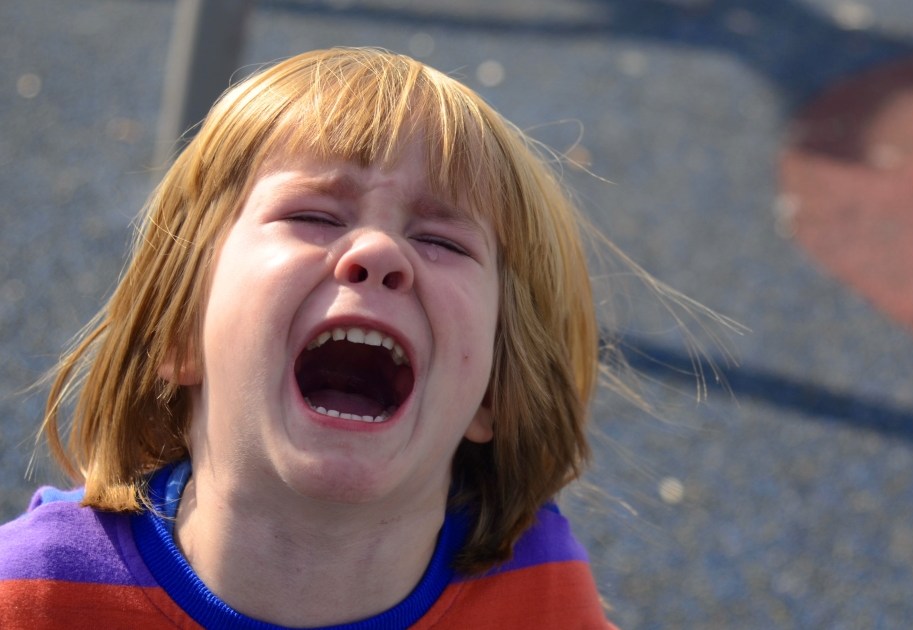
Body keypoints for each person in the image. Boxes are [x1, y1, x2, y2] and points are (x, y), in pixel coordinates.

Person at [0, 47, 626, 628]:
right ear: (178, 328)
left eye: (441, 241)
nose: (380, 252)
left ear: (495, 388)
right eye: (313, 216)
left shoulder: (541, 593)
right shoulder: (35, 593)